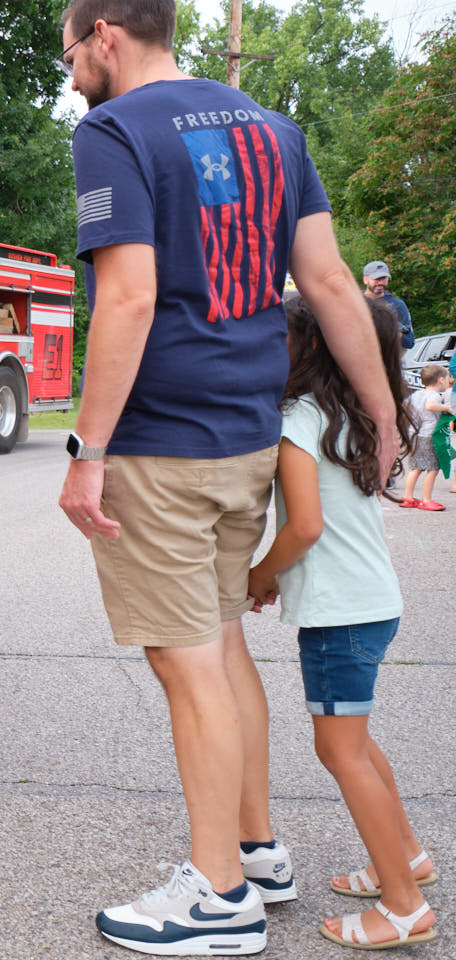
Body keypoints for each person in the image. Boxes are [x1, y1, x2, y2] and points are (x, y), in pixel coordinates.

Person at [54, 1, 398, 954]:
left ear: (107, 34)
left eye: (71, 50)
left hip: (163, 441)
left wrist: (87, 451)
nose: (72, 70)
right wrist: (382, 410)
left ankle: (217, 898)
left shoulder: (113, 130)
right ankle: (258, 850)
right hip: (245, 432)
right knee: (219, 645)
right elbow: (330, 285)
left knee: (186, 661)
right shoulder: (275, 130)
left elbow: (126, 294)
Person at [247, 298, 436, 949]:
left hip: (341, 614)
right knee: (355, 743)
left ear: (309, 350)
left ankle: (404, 905)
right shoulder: (353, 417)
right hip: (371, 603)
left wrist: (260, 576)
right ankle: (407, 857)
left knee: (339, 750)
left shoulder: (301, 420)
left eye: (283, 340)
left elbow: (304, 526)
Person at [398, 364, 452, 510]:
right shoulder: (433, 395)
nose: (449, 380)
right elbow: (430, 406)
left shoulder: (417, 394)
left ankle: (408, 498)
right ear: (441, 380)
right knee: (433, 468)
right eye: (448, 378)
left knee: (416, 467)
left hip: (415, 435)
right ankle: (426, 499)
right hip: (428, 436)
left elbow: (405, 407)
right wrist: (445, 408)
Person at [363, 261, 414, 351]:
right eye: (376, 279)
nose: (380, 282)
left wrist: (391, 329)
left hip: (387, 359)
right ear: (365, 279)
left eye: (384, 279)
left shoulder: (398, 305)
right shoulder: (354, 301)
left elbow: (409, 342)